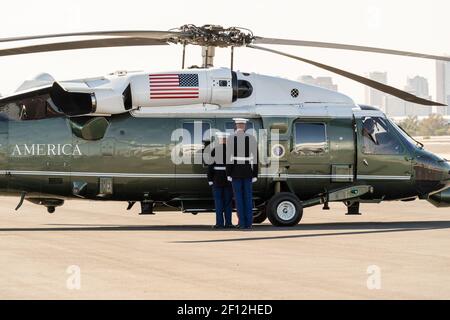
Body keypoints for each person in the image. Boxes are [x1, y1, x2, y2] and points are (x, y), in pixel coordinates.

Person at [226, 118, 258, 230]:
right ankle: (249, 223)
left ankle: (242, 223)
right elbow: (255, 158)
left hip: (235, 172)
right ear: (244, 126)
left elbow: (228, 158)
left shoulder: (231, 138)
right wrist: (255, 174)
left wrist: (228, 173)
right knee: (248, 198)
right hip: (248, 172)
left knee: (239, 199)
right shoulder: (251, 138)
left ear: (236, 126)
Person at [207, 132, 233, 229]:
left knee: (218, 203)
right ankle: (229, 223)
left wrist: (210, 179)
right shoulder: (231, 150)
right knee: (228, 203)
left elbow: (210, 166)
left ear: (220, 139)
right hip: (228, 180)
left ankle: (219, 223)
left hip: (217, 179)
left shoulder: (214, 150)